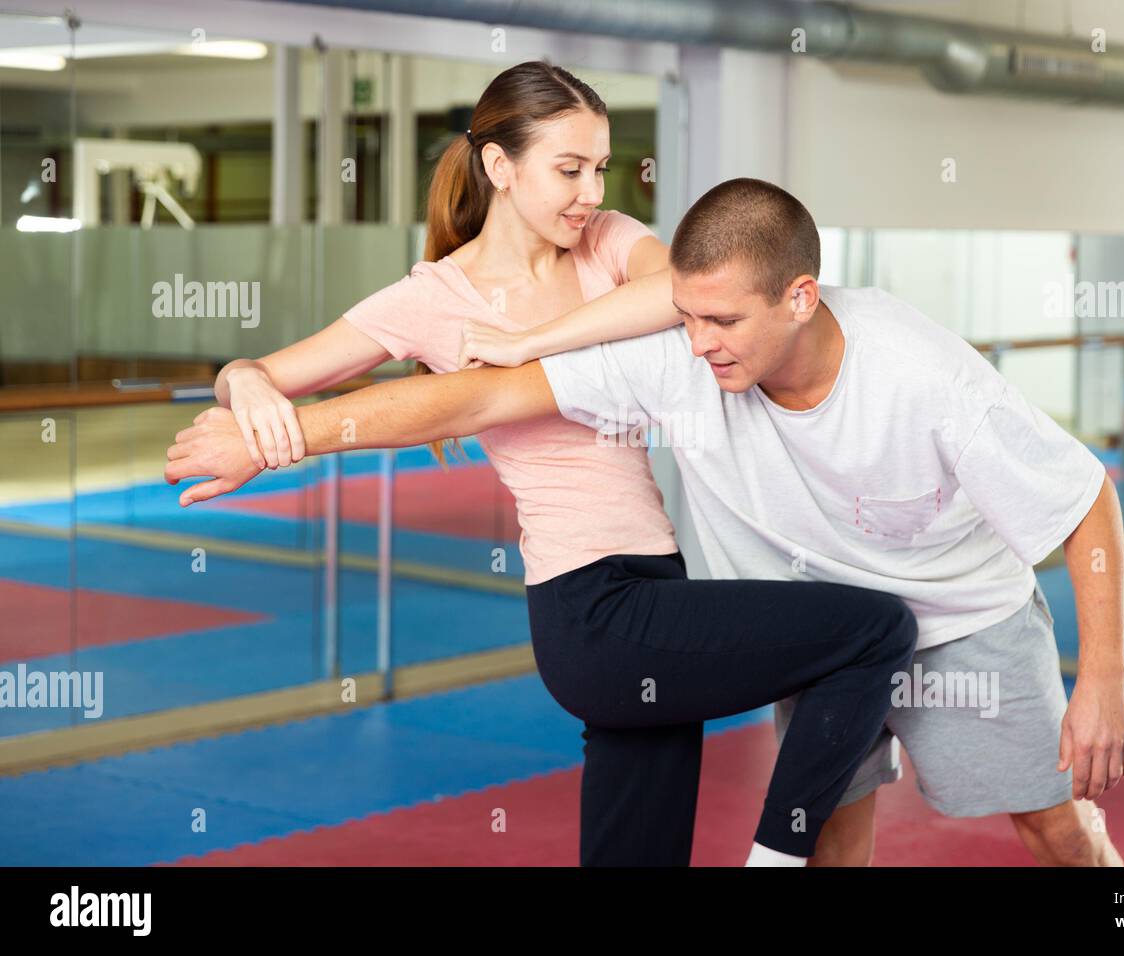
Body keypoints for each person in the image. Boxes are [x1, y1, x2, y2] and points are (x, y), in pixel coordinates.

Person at [169, 176, 1124, 867]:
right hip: (828, 630)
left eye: (723, 321)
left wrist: (1101, 680)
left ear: (800, 297)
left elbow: (1083, 496)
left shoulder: (921, 376)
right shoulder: (680, 354)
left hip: (962, 615)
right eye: (685, 314)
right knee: (830, 838)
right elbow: (474, 398)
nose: (698, 342)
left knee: (1049, 825)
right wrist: (278, 436)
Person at [190, 62, 916, 867]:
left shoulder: (606, 245)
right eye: (569, 170)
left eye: (600, 168)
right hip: (590, 607)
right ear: (500, 167)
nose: (590, 193)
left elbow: (678, 290)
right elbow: (257, 372)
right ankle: (778, 859)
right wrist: (245, 381)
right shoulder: (434, 296)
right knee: (874, 630)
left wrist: (528, 343)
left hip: (657, 580)